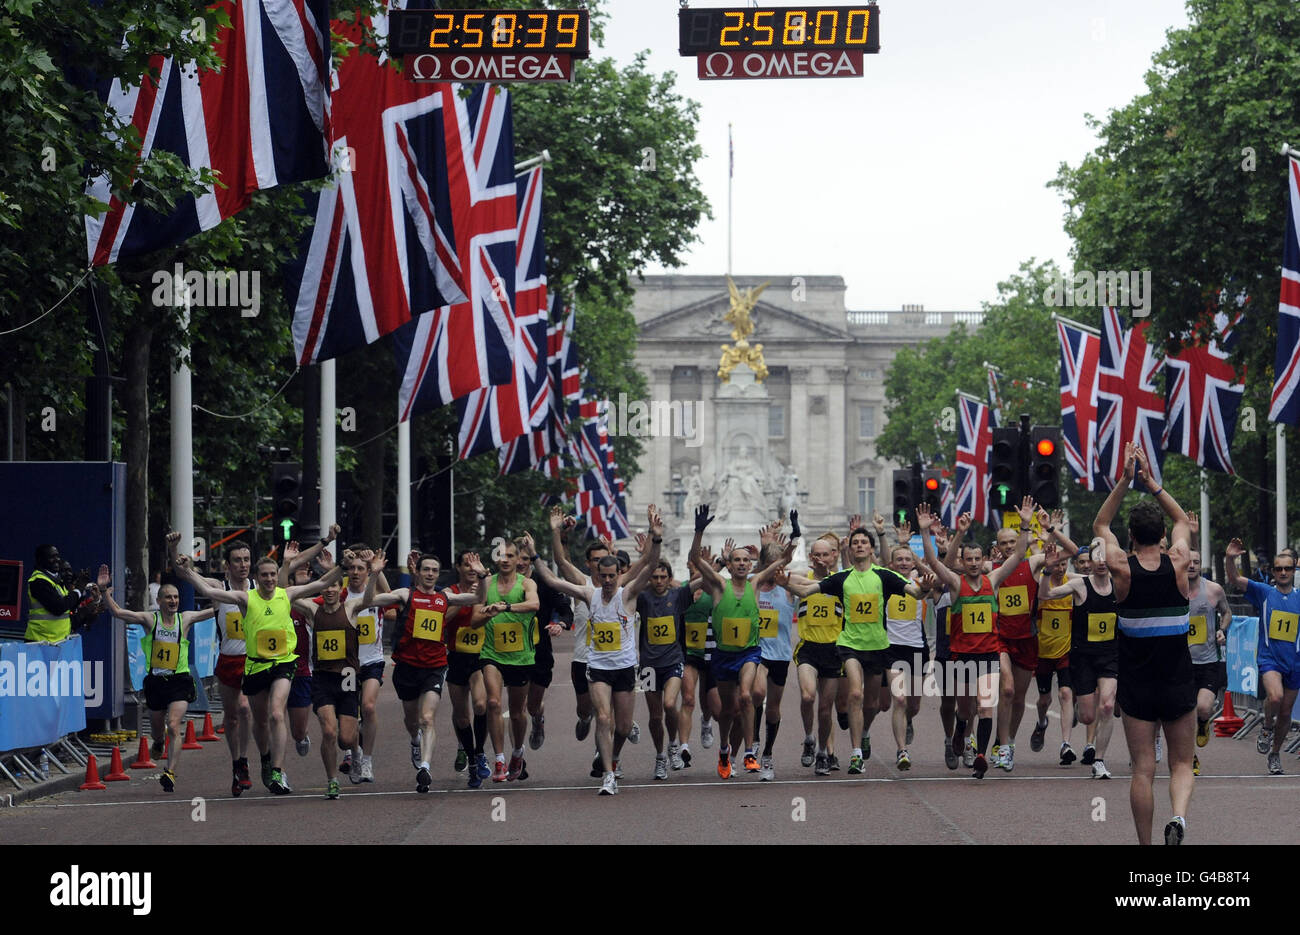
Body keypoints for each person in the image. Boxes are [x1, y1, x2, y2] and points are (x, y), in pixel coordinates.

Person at [1093, 443, 1197, 844]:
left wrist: (1125, 478)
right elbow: (1181, 518)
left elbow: (1102, 524)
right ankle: (1180, 817)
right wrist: (1151, 482)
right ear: (1163, 536)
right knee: (1182, 762)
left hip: (1137, 685)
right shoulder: (1180, 562)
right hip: (1177, 682)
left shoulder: (1121, 568)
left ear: (1132, 536)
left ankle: (1146, 844)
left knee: (1142, 769)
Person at [181, 540, 342, 795]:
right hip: (253, 665)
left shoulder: (286, 593)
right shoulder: (245, 598)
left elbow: (321, 583)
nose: (269, 579)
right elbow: (208, 591)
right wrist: (186, 569)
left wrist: (340, 563)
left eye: (272, 575)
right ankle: (261, 759)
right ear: (257, 577)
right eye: (264, 575)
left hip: (283, 663)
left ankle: (277, 770)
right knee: (256, 720)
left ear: (277, 577)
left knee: (277, 713)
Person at [787, 519, 922, 775]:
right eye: (855, 542)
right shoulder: (841, 578)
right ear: (849, 550)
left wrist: (925, 588)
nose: (859, 545)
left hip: (879, 647)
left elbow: (916, 594)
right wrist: (783, 582)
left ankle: (870, 735)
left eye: (864, 542)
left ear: (871, 549)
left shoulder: (884, 576)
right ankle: (858, 754)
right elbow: (807, 591)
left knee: (877, 703)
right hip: (849, 646)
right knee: (856, 696)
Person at [918, 498, 1034, 778]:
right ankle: (959, 730)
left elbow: (1018, 555)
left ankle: (981, 757)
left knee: (985, 708)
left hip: (988, 655)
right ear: (963, 562)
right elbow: (933, 562)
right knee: (966, 709)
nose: (972, 564)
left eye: (976, 559)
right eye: (967, 560)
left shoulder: (991, 580)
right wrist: (926, 531)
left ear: (983, 561)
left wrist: (1026, 525)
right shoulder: (956, 584)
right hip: (962, 657)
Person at [364, 550, 487, 792]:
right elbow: (369, 602)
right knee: (412, 721)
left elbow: (477, 598)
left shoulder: (445, 597)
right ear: (417, 573)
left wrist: (482, 576)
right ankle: (414, 741)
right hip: (407, 667)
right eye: (426, 569)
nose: (430, 574)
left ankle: (426, 767)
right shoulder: (404, 594)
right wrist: (374, 574)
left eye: (434, 570)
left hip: (435, 665)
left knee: (427, 718)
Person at [690, 505, 794, 779]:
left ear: (751, 564)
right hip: (724, 655)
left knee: (748, 696)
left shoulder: (756, 582)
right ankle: (725, 748)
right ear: (730, 563)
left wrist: (793, 536)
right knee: (727, 710)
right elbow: (695, 559)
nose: (741, 564)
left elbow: (782, 561)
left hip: (749, 652)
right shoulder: (718, 585)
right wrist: (699, 531)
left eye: (745, 561)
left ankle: (749, 752)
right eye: (736, 560)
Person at [97, 568, 213, 792]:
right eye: (169, 597)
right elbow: (118, 613)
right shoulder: (150, 619)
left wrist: (229, 594)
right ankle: (158, 742)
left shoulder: (185, 619)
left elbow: (215, 610)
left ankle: (170, 772)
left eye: (176, 597)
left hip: (179, 680)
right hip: (156, 683)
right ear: (158, 601)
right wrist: (104, 591)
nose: (173, 601)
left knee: (174, 725)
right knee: (158, 729)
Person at [289, 549, 384, 799]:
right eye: (325, 586)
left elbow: (371, 598)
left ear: (339, 589)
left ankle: (356, 753)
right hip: (322, 679)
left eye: (334, 587)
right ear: (321, 589)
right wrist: (288, 565)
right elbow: (283, 594)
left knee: (345, 738)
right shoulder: (312, 611)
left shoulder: (351, 607)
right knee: (329, 732)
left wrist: (374, 574)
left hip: (349, 678)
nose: (330, 590)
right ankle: (332, 780)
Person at [1039, 538, 1118, 779]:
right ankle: (1077, 706)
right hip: (1083, 658)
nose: (1102, 562)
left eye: (1105, 557)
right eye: (1097, 557)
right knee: (1087, 716)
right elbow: (1046, 594)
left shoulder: (1120, 585)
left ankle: (1100, 760)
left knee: (1106, 705)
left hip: (1110, 656)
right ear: (1090, 562)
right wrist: (1047, 571)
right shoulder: (1080, 586)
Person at [1225, 538, 1299, 777]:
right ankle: (1267, 725)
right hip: (1270, 659)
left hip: (1295, 663)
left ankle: (1275, 753)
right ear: (1273, 572)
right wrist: (1229, 559)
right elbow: (1235, 579)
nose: (1284, 572)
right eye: (1279, 569)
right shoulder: (1264, 592)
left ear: (1295, 569)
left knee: (1286, 713)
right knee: (1275, 697)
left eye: (1288, 568)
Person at [473, 539, 541, 782]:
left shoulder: (527, 583)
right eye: (500, 555)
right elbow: (474, 619)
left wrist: (506, 607)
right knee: (492, 702)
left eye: (510, 556)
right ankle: (499, 760)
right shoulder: (486, 584)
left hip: (521, 656)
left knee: (516, 712)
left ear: (516, 559)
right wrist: (487, 614)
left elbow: (535, 604)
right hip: (492, 653)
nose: (505, 559)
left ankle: (517, 752)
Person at [790, 530, 845, 775]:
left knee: (825, 708)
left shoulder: (842, 582)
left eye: (826, 554)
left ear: (832, 557)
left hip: (833, 651)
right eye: (817, 555)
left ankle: (823, 751)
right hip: (808, 648)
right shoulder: (802, 578)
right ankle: (809, 738)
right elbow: (782, 578)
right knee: (808, 696)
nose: (821, 559)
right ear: (811, 557)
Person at [880, 544, 936, 770]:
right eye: (899, 559)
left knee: (913, 705)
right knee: (899, 700)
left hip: (916, 648)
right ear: (892, 564)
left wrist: (921, 570)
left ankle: (909, 721)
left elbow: (934, 582)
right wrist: (884, 536)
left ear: (913, 563)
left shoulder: (922, 583)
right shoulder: (884, 583)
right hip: (891, 648)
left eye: (907, 559)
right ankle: (902, 750)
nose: (903, 563)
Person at [637, 559, 692, 779]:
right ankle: (660, 756)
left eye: (663, 577)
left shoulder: (678, 596)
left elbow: (699, 582)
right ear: (649, 579)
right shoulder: (642, 598)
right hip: (649, 665)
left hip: (673, 661)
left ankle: (673, 745)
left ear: (669, 579)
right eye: (655, 577)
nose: (659, 581)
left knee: (670, 703)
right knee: (654, 715)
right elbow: (630, 584)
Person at [1182, 537, 1231, 776]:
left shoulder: (1213, 590)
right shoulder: (1174, 590)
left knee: (1203, 707)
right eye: (1188, 562)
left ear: (1200, 565)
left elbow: (1227, 612)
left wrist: (1222, 629)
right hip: (1181, 662)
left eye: (1196, 562)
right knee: (1186, 712)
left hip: (1209, 661)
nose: (1192, 565)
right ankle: (1191, 758)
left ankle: (1205, 722)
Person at [444, 550, 493, 788]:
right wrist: (465, 598)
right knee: (462, 717)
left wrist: (480, 595)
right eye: (466, 565)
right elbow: (443, 618)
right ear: (458, 568)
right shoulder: (450, 592)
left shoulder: (484, 586)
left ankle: (480, 752)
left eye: (475, 564)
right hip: (456, 657)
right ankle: (471, 759)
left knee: (482, 705)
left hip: (479, 657)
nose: (471, 569)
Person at [754, 539, 797, 781]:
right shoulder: (755, 587)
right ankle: (754, 739)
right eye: (769, 565)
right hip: (758, 653)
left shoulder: (788, 588)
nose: (773, 570)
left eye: (777, 565)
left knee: (773, 709)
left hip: (780, 654)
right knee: (757, 694)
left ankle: (768, 755)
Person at [1033, 545, 1078, 766]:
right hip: (1042, 653)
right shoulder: (1043, 582)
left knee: (1066, 694)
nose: (1060, 568)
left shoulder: (1073, 583)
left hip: (1065, 651)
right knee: (1044, 700)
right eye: (1056, 563)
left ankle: (1066, 744)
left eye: (1063, 563)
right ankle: (1041, 723)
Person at [25, 545, 98, 643]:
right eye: (52, 557)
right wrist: (79, 589)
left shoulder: (57, 581)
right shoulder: (38, 581)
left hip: (59, 642)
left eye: (57, 556)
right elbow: (59, 607)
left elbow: (69, 607)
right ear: (40, 559)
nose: (57, 560)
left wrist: (93, 600)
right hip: (39, 643)